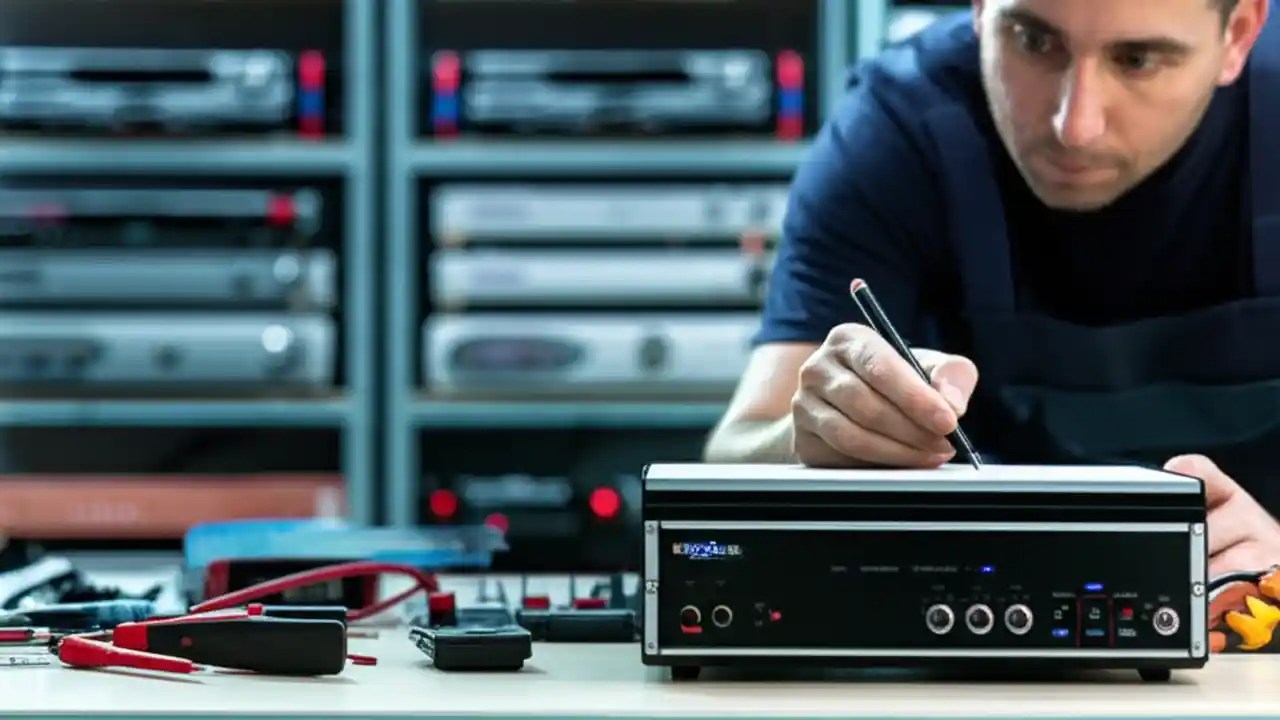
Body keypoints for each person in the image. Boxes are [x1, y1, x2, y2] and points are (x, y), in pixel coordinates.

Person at [703, 0, 1280, 577]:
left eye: (1137, 59)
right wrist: (814, 436)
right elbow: (731, 460)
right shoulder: (899, 130)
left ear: (1238, 34)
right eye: (1033, 41)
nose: (1074, 127)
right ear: (981, 8)